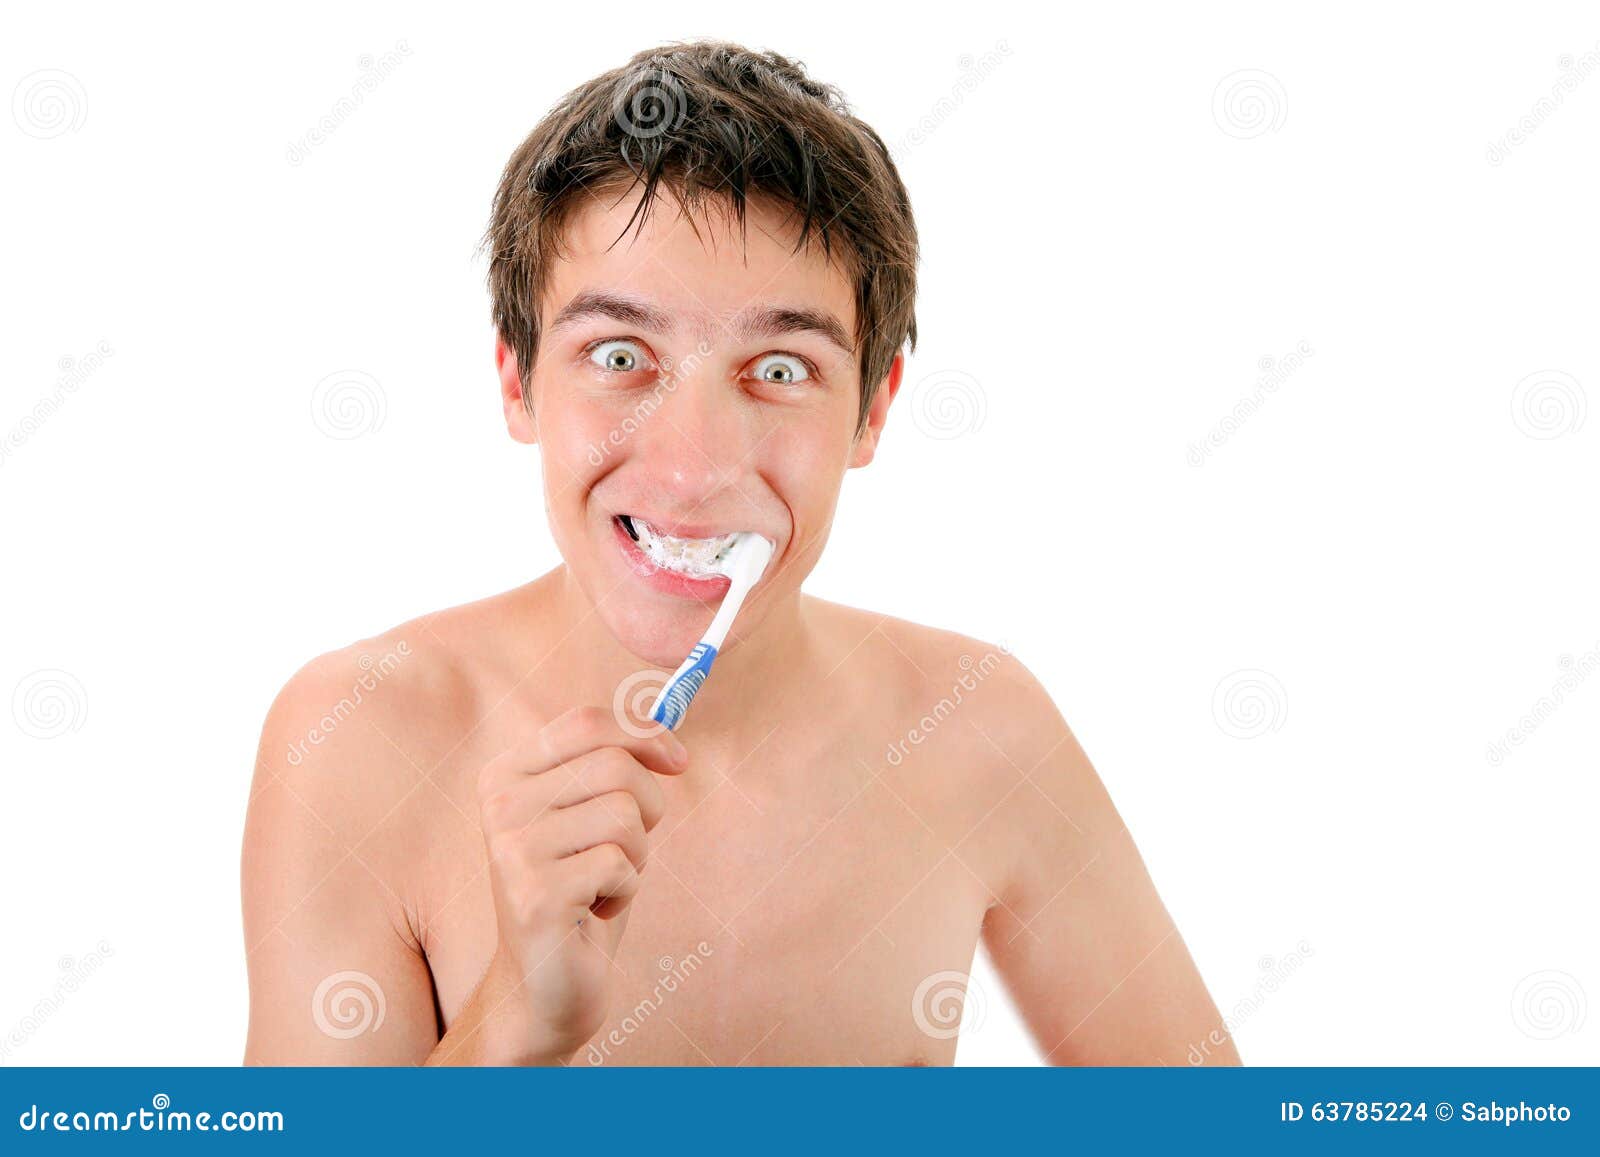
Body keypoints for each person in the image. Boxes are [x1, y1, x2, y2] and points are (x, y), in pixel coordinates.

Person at [241, 40, 1237, 1067]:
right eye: (621, 357)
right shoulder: (358, 738)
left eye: (777, 366)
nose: (691, 468)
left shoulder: (981, 726)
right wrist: (515, 1023)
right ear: (517, 380)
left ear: (872, 408)